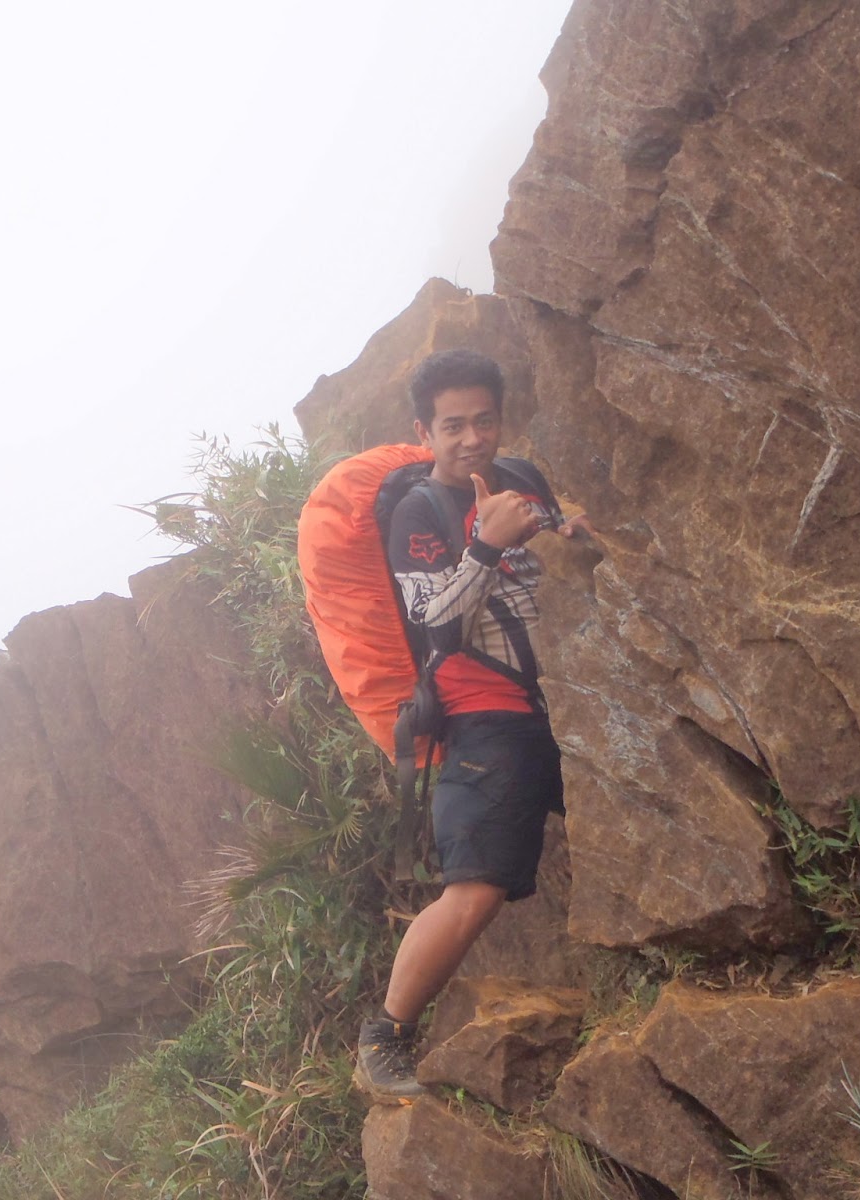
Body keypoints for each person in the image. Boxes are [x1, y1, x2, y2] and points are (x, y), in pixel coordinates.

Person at [354, 348, 594, 1100]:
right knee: (477, 890)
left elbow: (549, 551)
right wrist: (484, 545)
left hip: (565, 696)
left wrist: (570, 533)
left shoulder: (521, 474)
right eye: (452, 425)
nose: (471, 439)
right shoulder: (418, 513)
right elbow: (432, 622)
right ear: (423, 430)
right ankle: (383, 1038)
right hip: (484, 714)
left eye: (482, 420)